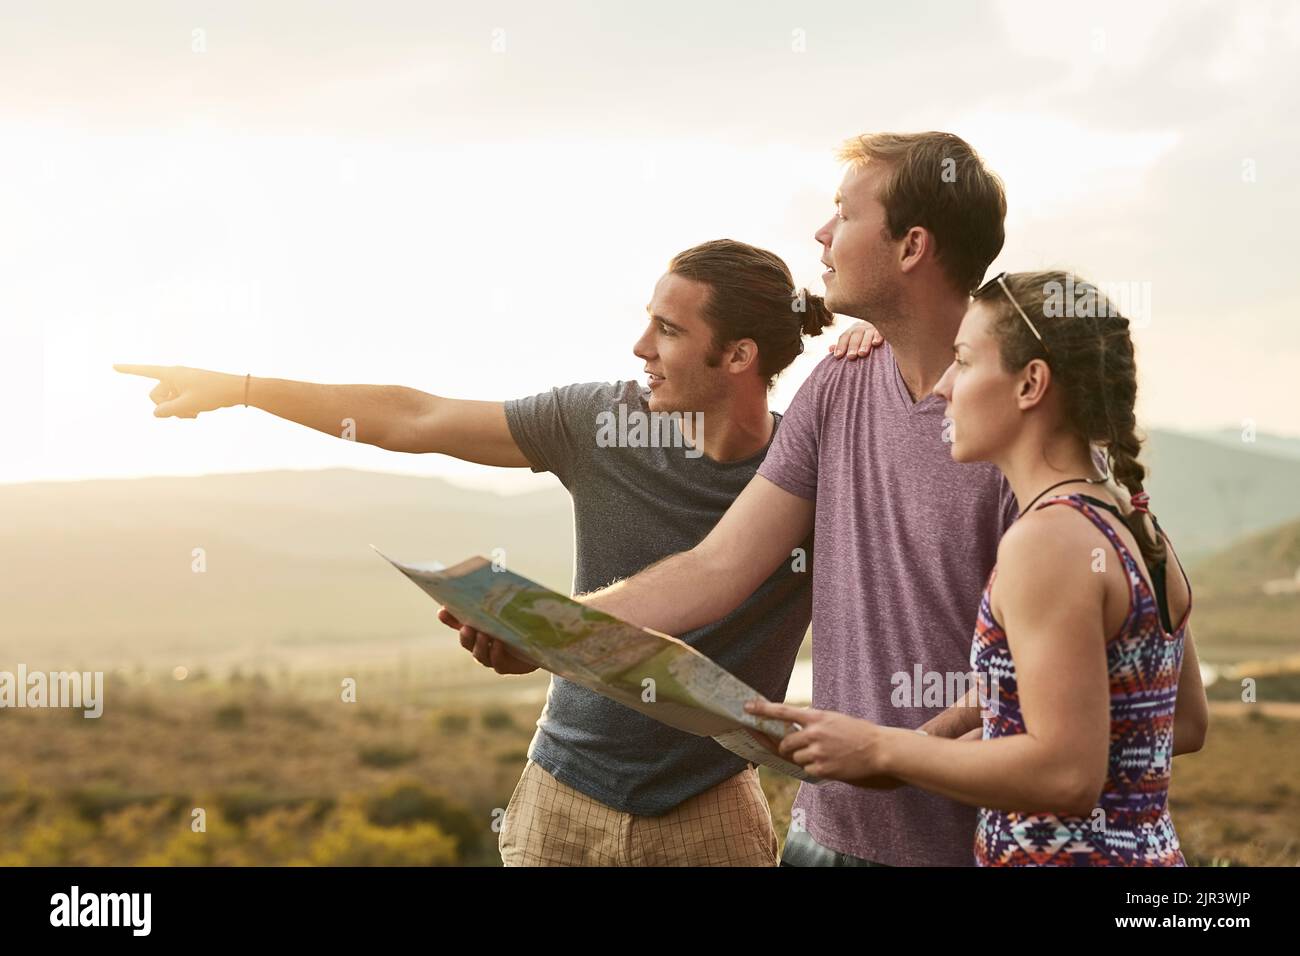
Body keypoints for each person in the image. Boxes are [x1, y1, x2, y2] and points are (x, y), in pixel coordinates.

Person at [115, 238, 883, 866]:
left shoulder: (814, 474)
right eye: (649, 321)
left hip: (709, 820)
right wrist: (243, 387)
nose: (640, 345)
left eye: (670, 331)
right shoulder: (599, 421)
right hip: (559, 803)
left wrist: (884, 338)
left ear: (739, 355)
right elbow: (414, 417)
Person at [448, 131, 1024, 866]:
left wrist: (903, 753)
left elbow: (1088, 659)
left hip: (963, 846)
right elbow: (715, 569)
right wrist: (539, 627)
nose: (821, 233)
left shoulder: (1028, 411)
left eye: (844, 215)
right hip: (821, 839)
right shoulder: (839, 385)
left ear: (912, 246)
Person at [747, 270, 1209, 866]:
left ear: (1030, 385)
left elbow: (1066, 774)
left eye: (964, 361)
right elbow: (1184, 723)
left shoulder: (1047, 543)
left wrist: (881, 749)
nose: (942, 386)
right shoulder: (1134, 525)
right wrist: (967, 743)